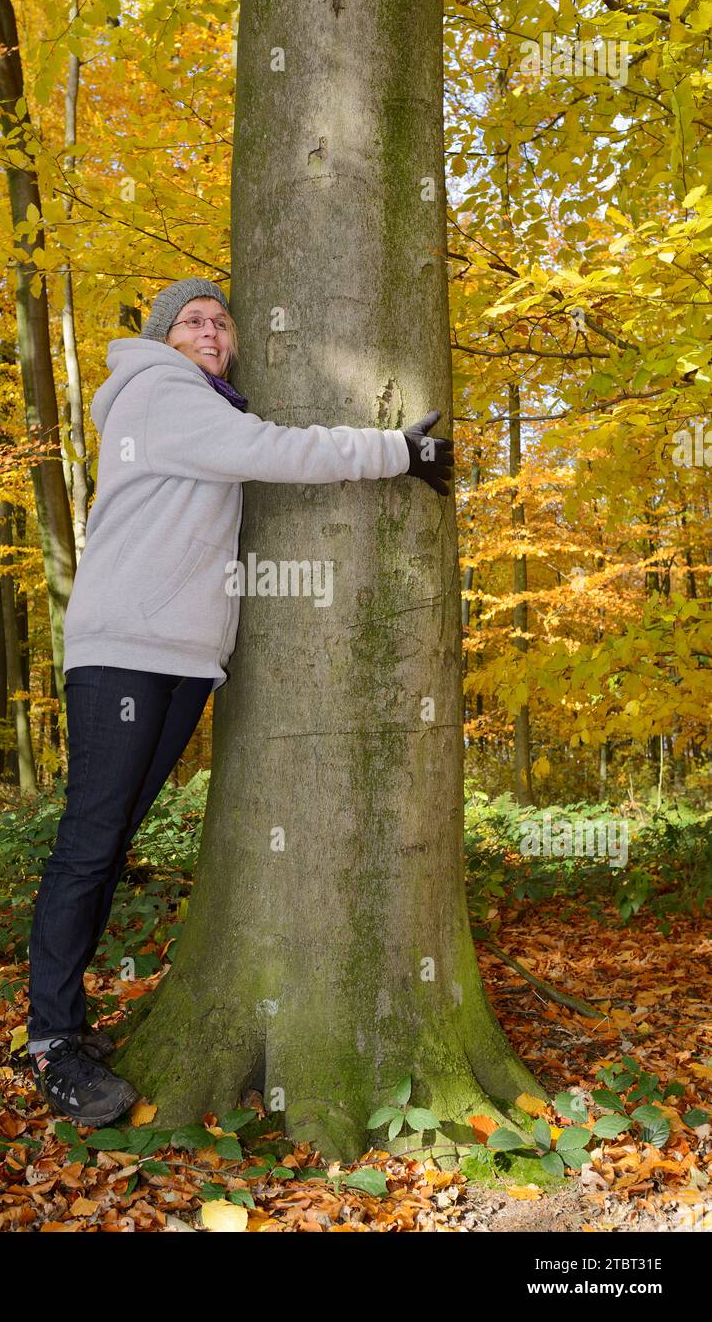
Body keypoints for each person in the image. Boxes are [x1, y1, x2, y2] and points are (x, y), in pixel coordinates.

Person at [27, 278, 454, 1126]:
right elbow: (277, 453)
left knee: (108, 845)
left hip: (180, 657)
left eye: (222, 320)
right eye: (194, 319)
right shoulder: (160, 392)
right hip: (124, 653)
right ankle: (50, 1044)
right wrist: (397, 453)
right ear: (162, 337)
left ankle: (63, 1027)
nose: (213, 329)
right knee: (89, 842)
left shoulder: (194, 402)